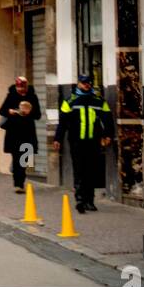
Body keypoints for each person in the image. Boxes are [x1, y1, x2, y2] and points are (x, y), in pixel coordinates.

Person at [54, 72, 114, 214]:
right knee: (79, 170)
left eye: (88, 83)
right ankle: (80, 199)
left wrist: (107, 135)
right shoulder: (70, 101)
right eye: (83, 82)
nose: (86, 85)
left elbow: (108, 120)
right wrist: (57, 138)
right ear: (79, 84)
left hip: (93, 142)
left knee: (92, 171)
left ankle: (90, 201)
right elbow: (62, 123)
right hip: (76, 142)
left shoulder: (99, 101)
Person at [0, 76, 42, 192]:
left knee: (25, 159)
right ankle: (19, 184)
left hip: (28, 133)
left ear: (26, 86)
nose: (20, 89)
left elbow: (38, 115)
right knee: (17, 157)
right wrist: (10, 111)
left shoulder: (32, 96)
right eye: (18, 87)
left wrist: (29, 112)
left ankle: (18, 173)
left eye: (22, 87)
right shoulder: (11, 95)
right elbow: (2, 110)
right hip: (14, 132)